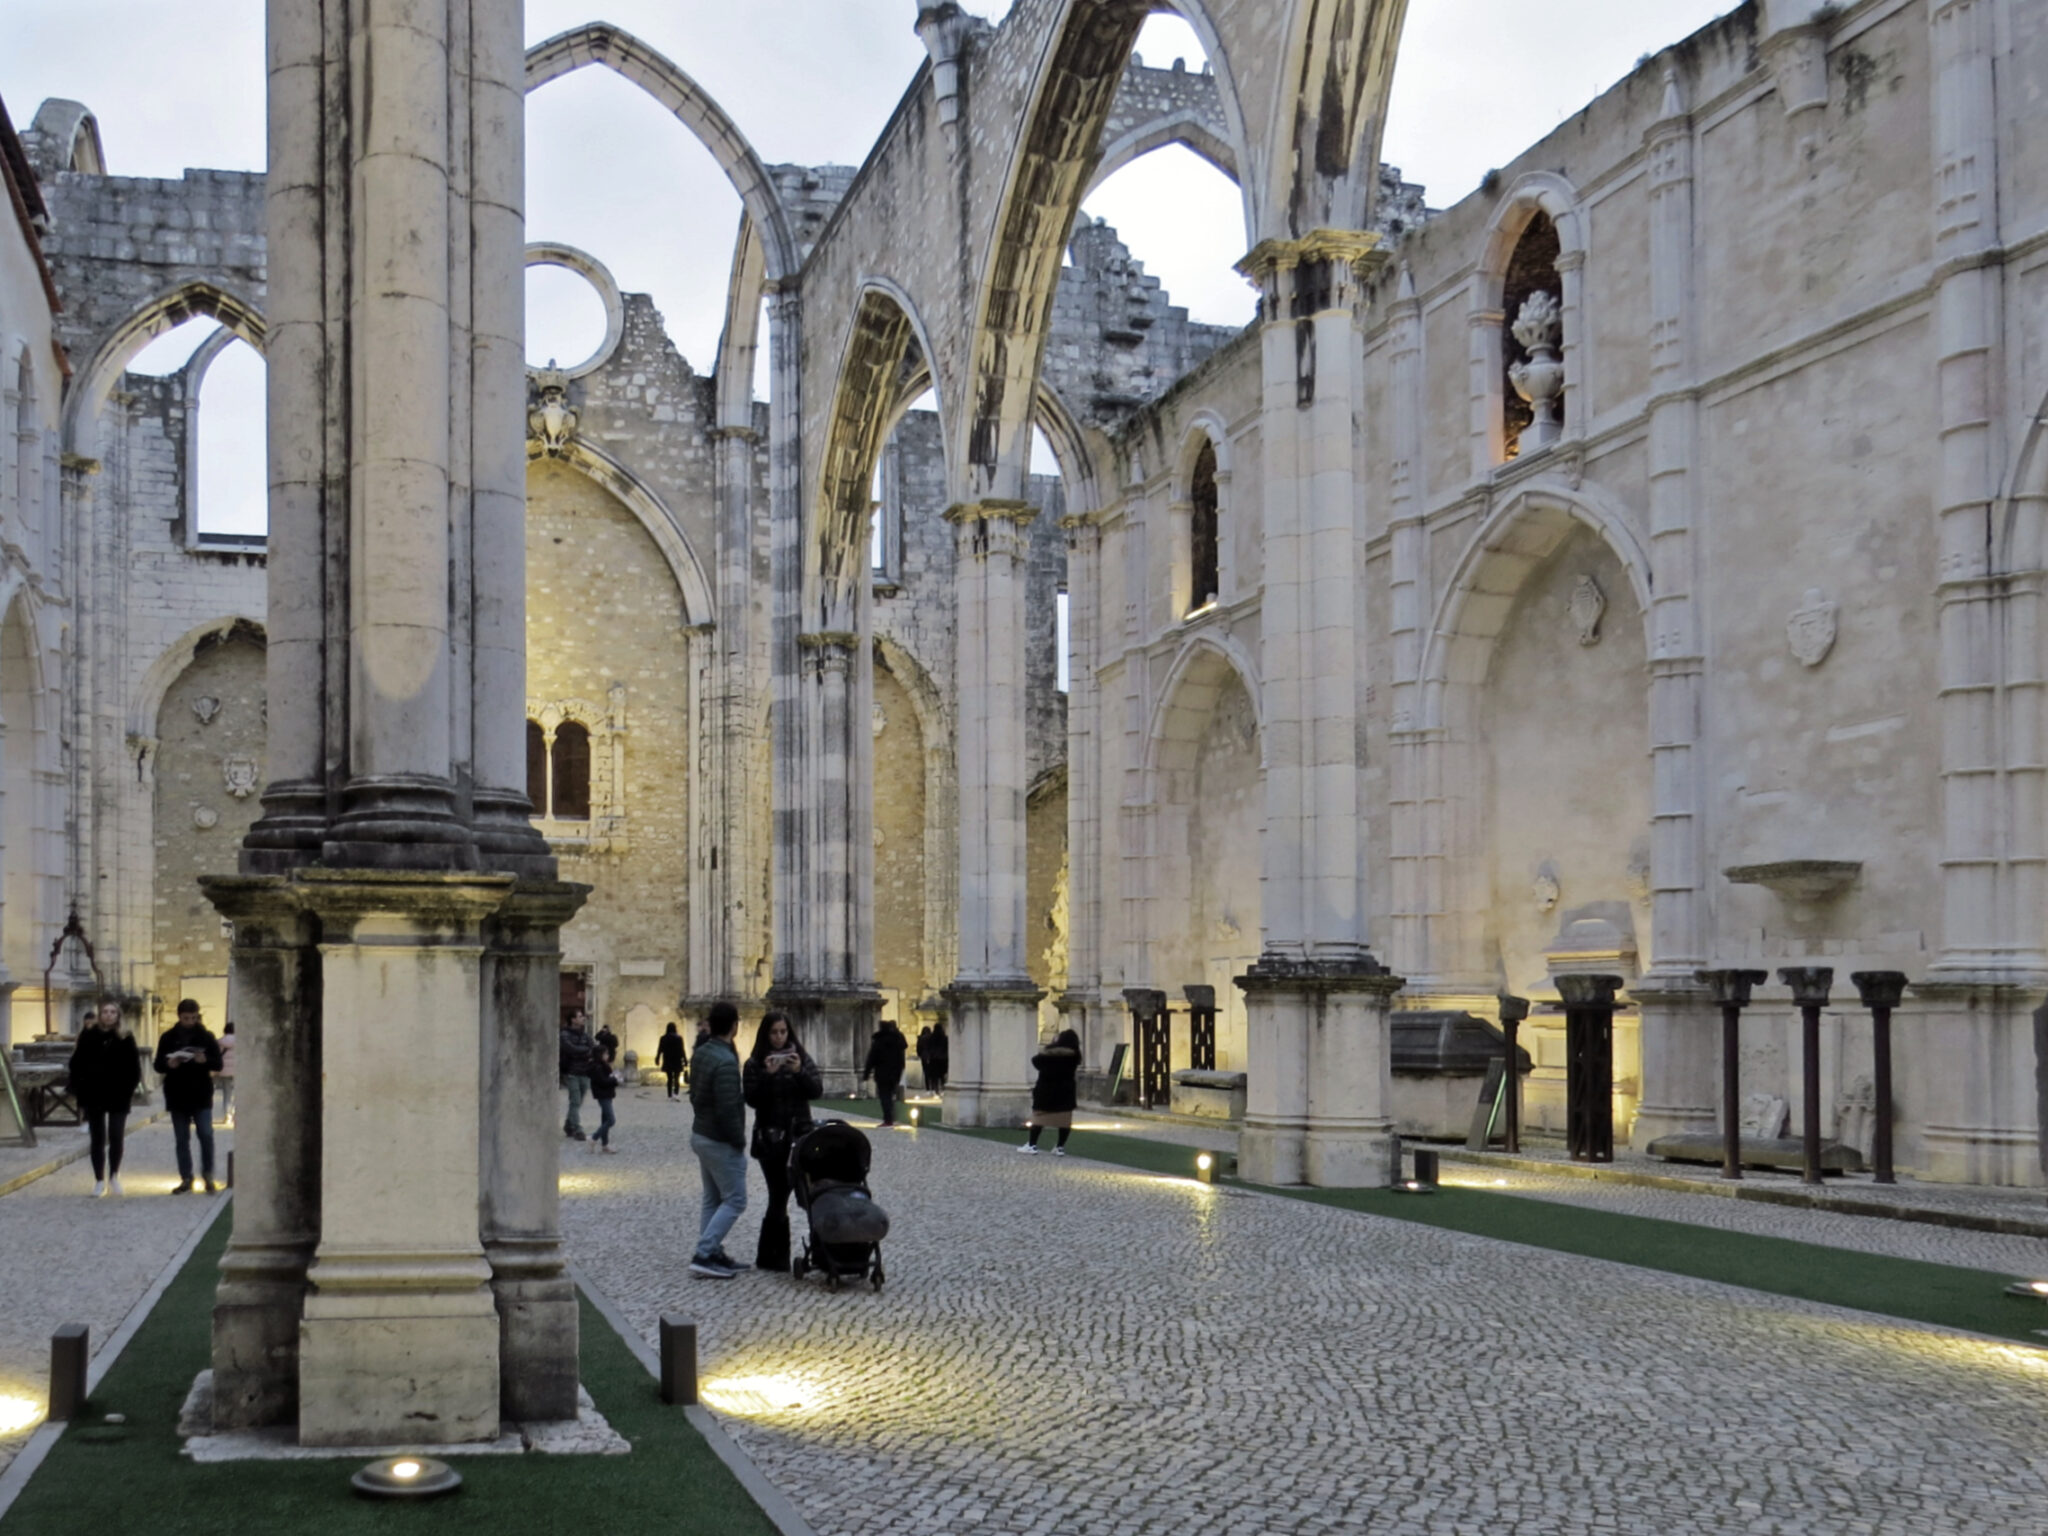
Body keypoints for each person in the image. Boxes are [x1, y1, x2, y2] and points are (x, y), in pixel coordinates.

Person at [741, 1011, 821, 1271]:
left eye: (783, 1032)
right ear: (766, 1034)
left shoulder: (801, 1058)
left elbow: (815, 1091)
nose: (779, 1037)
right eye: (774, 1032)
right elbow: (752, 1098)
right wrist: (768, 1074)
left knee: (809, 1194)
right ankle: (773, 1257)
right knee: (777, 1196)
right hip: (771, 1139)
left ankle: (819, 1250)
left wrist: (798, 1072)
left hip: (800, 1136)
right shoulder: (754, 1063)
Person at [687, 1001, 749, 1279]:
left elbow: (694, 1094)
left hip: (701, 1133)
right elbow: (728, 1109)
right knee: (736, 1199)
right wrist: (738, 1140)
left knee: (712, 1199)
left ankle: (711, 1253)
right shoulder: (725, 1061)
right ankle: (704, 1252)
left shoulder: (701, 1053)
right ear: (735, 1026)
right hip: (718, 1138)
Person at [68, 1001, 141, 1198]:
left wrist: (128, 1090)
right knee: (97, 1138)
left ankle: (114, 1175)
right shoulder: (89, 1036)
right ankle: (99, 1179)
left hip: (118, 1094)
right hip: (94, 1093)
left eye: (112, 1012)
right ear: (100, 1015)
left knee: (116, 1135)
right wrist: (81, 1088)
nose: (108, 1015)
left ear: (118, 1015)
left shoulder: (126, 1037)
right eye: (105, 1012)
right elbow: (76, 1063)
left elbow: (134, 1068)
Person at [153, 998, 223, 1192]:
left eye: (193, 1018)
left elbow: (218, 1064)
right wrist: (169, 1064)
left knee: (206, 1135)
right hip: (177, 1094)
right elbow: (158, 1064)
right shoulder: (168, 1037)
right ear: (179, 1017)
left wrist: (205, 1060)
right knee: (182, 1139)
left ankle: (208, 1174)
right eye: (186, 1018)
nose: (190, 1022)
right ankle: (186, 1177)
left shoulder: (206, 1037)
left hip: (200, 1093)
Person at [1020, 1028, 1082, 1156]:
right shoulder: (1074, 1056)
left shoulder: (1048, 1053)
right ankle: (1060, 1147)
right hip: (1066, 1090)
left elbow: (1035, 1061)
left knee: (1039, 1116)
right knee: (1064, 1119)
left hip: (1046, 1088)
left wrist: (1052, 1045)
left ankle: (1032, 1144)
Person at [861, 1017, 909, 1128]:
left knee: (884, 1096)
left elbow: (871, 1058)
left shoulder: (879, 1041)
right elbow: (900, 1058)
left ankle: (888, 1119)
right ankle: (891, 1117)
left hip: (882, 1072)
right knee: (890, 1095)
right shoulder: (897, 1040)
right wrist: (900, 1070)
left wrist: (866, 1073)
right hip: (895, 1072)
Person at [559, 1009, 594, 1140]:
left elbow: (593, 1048)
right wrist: (585, 1051)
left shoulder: (585, 1035)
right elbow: (570, 1049)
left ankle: (569, 1124)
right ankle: (577, 1128)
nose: (583, 1018)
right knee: (575, 1100)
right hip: (571, 1071)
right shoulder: (564, 1034)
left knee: (578, 1101)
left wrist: (583, 1051)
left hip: (584, 1072)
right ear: (573, 1019)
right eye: (580, 1016)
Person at [589, 1044, 621, 1154]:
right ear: (600, 1055)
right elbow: (602, 1081)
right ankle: (594, 1137)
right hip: (603, 1095)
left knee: (605, 1120)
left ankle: (605, 1145)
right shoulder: (597, 1067)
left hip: (607, 1093)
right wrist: (614, 1079)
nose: (608, 1055)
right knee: (611, 1120)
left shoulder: (603, 1065)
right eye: (606, 1053)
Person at [656, 1022, 687, 1100]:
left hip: (667, 1059)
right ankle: (676, 1093)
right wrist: (685, 1060)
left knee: (669, 1078)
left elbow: (660, 1049)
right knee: (677, 1078)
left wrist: (657, 1058)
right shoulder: (679, 1038)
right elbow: (682, 1050)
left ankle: (669, 1094)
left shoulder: (663, 1038)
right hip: (677, 1060)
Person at [216, 1020, 236, 1127]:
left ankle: (227, 1116)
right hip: (238, 1071)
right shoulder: (241, 1041)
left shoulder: (220, 1042)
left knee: (227, 1094)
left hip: (224, 1070)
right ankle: (235, 1115)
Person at [927, 1019, 950, 1093]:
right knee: (942, 1075)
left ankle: (936, 1089)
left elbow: (928, 1047)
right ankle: (943, 1088)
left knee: (935, 1076)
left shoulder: (931, 1037)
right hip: (942, 1058)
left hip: (934, 1058)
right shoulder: (945, 1038)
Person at [914, 1024, 933, 1090]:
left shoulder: (921, 1038)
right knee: (932, 1072)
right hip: (932, 1056)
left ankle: (928, 1087)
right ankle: (933, 1087)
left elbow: (918, 1048)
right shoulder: (932, 1038)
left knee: (926, 1073)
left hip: (924, 1056)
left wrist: (919, 1054)